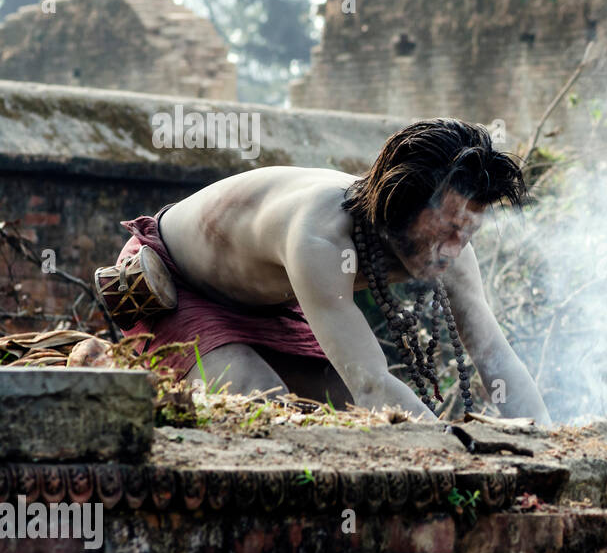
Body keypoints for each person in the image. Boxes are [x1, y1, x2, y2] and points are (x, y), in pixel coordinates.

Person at [113, 118, 552, 424]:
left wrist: (550, 447)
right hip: (176, 283)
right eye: (448, 230)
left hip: (268, 304)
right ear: (400, 206)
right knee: (265, 407)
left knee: (344, 416)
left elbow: (495, 355)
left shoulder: (452, 248)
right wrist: (459, 458)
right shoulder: (318, 235)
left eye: (467, 233)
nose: (454, 249)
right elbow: (373, 386)